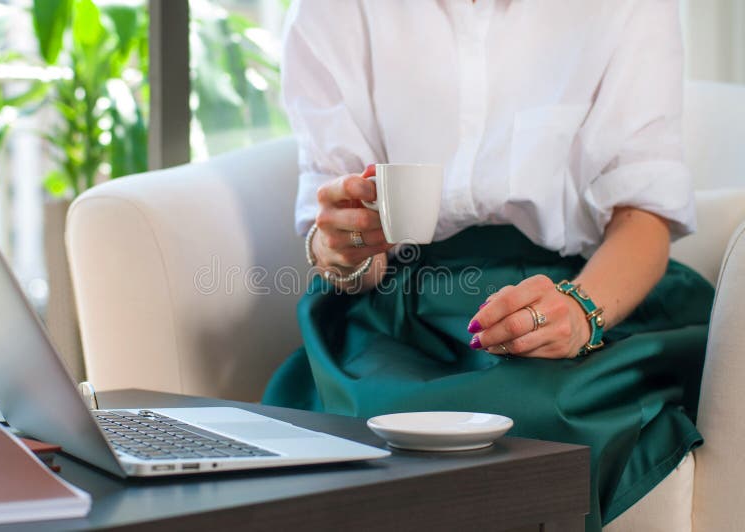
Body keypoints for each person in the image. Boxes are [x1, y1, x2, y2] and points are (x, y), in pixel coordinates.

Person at [262, 1, 714, 529]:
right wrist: (341, 248)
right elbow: (344, 246)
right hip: (402, 307)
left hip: (572, 291)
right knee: (380, 419)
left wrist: (581, 313)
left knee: (538, 410)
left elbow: (643, 218)